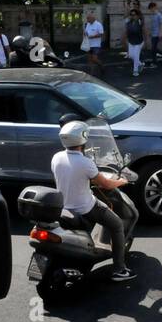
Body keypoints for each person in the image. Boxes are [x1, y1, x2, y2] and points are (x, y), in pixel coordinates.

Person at [52, 118, 135, 282]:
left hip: (64, 206)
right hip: (86, 208)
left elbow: (72, 175)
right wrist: (122, 181)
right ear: (83, 138)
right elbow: (106, 184)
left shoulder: (57, 157)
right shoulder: (85, 162)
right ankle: (119, 269)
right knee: (117, 225)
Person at [84, 10, 105, 77]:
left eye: (88, 18)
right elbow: (86, 32)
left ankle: (101, 65)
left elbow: (101, 34)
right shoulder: (87, 24)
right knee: (90, 60)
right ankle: (91, 74)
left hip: (96, 45)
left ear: (92, 18)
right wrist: (85, 34)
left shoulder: (98, 24)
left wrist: (93, 36)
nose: (87, 19)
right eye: (87, 18)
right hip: (89, 44)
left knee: (94, 59)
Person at [125, 7, 144, 76]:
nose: (133, 16)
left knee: (136, 56)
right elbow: (127, 31)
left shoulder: (140, 22)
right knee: (130, 56)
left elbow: (144, 30)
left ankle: (135, 71)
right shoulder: (128, 22)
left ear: (137, 15)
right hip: (131, 41)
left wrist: (146, 41)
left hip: (139, 42)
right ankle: (140, 64)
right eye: (131, 15)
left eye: (134, 15)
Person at [146, 1, 162, 66]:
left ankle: (154, 61)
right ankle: (159, 56)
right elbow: (152, 24)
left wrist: (160, 33)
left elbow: (161, 23)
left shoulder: (158, 14)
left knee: (153, 48)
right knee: (154, 48)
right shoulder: (152, 15)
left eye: (151, 8)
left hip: (157, 33)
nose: (150, 10)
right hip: (153, 33)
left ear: (154, 7)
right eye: (150, 9)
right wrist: (150, 32)